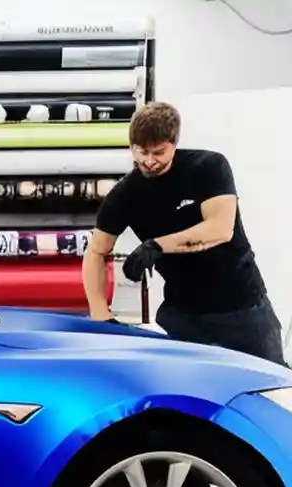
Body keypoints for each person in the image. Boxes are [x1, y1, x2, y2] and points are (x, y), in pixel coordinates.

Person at [82, 101, 285, 365]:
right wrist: (101, 314)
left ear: (174, 143)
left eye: (159, 152)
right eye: (142, 152)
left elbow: (221, 229)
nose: (150, 161)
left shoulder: (208, 167)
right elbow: (96, 251)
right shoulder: (125, 195)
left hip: (242, 308)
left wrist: (156, 245)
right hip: (184, 316)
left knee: (272, 390)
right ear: (132, 146)